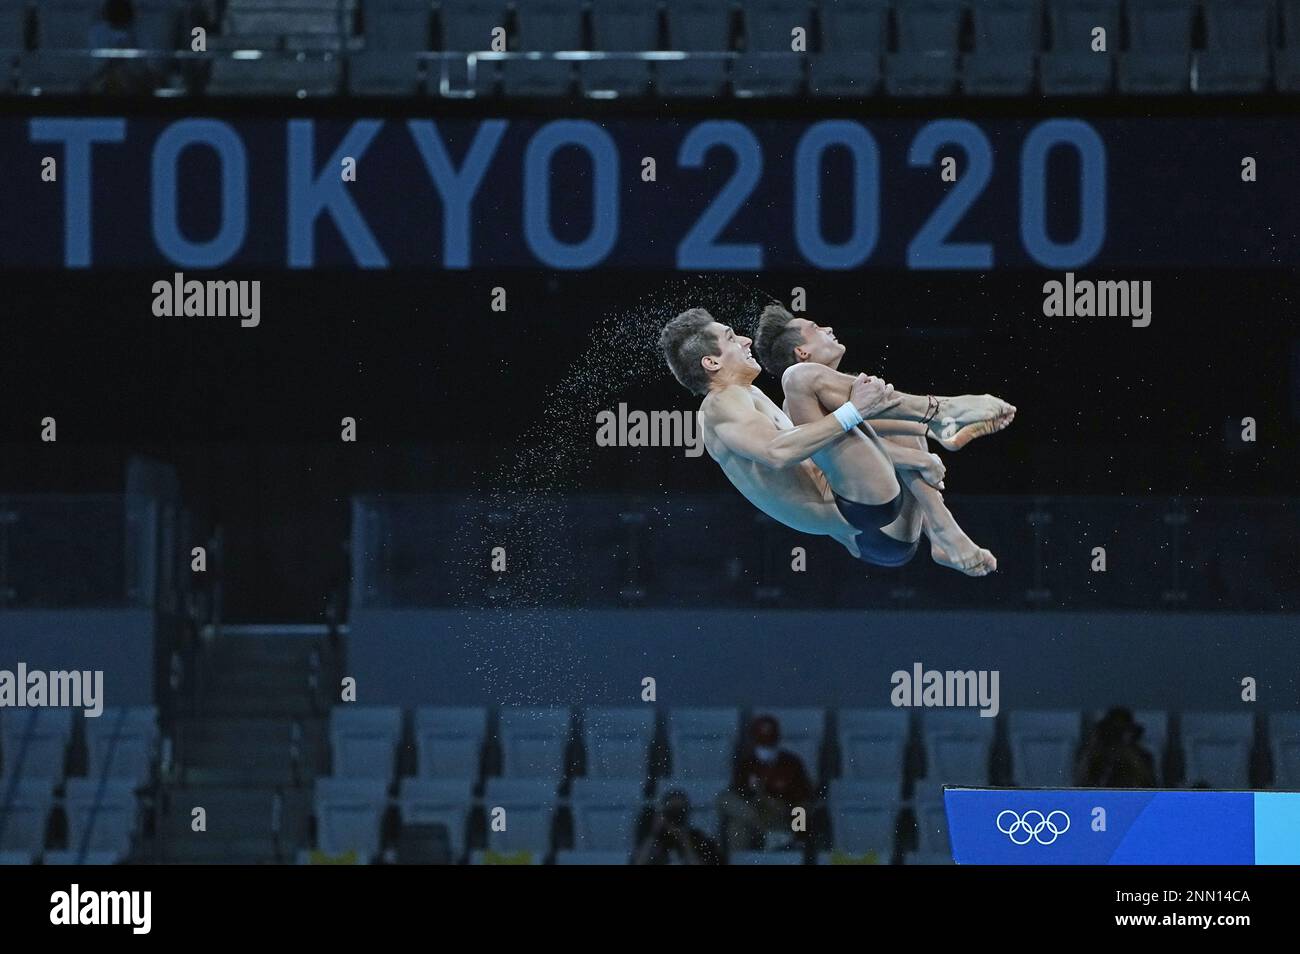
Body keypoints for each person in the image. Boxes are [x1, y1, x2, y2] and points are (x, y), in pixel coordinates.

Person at [658, 308, 1014, 575]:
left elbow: (808, 453)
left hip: (871, 525)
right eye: (732, 338)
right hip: (858, 511)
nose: (746, 340)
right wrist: (852, 413)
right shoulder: (720, 403)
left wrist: (902, 446)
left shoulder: (748, 397)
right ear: (711, 362)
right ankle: (942, 411)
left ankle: (945, 526)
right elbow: (776, 453)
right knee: (801, 381)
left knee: (873, 407)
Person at [717, 715, 814, 852]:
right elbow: (738, 794)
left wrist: (799, 834)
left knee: (799, 809)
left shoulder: (792, 763)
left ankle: (774, 835)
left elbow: (803, 801)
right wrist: (759, 798)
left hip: (781, 819)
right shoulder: (746, 763)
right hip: (754, 816)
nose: (766, 748)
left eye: (769, 743)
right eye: (762, 743)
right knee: (730, 813)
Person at [1074, 707, 1158, 787]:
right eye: (1113, 731)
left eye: (1121, 731)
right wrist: (1094, 745)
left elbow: (1150, 786)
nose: (1116, 736)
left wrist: (1129, 753)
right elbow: (1079, 783)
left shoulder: (1142, 757)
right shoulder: (1096, 756)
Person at [631, 790, 721, 865]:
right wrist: (654, 832)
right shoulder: (653, 838)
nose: (675, 816)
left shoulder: (696, 837)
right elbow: (638, 862)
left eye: (680, 811)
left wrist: (684, 839)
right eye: (672, 810)